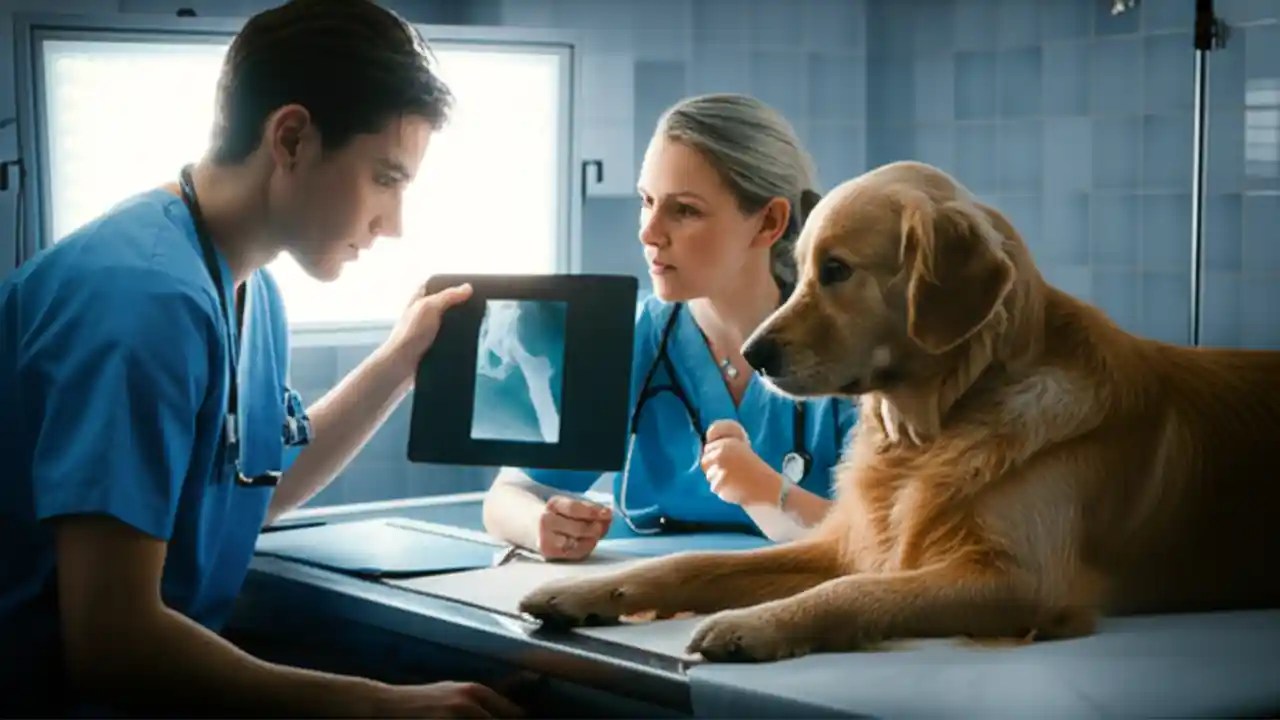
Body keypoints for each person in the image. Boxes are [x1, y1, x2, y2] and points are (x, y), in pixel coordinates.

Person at [0, 1, 524, 717]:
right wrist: (382, 708)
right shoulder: (140, 300)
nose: (394, 224)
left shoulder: (253, 290)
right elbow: (111, 642)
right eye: (386, 178)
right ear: (292, 138)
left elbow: (255, 487)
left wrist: (402, 360)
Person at [482, 94, 859, 561]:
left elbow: (888, 540)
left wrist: (768, 493)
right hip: (642, 597)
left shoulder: (852, 353)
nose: (649, 232)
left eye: (684, 210)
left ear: (769, 222)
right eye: (647, 201)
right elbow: (508, 495)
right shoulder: (625, 340)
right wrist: (541, 524)